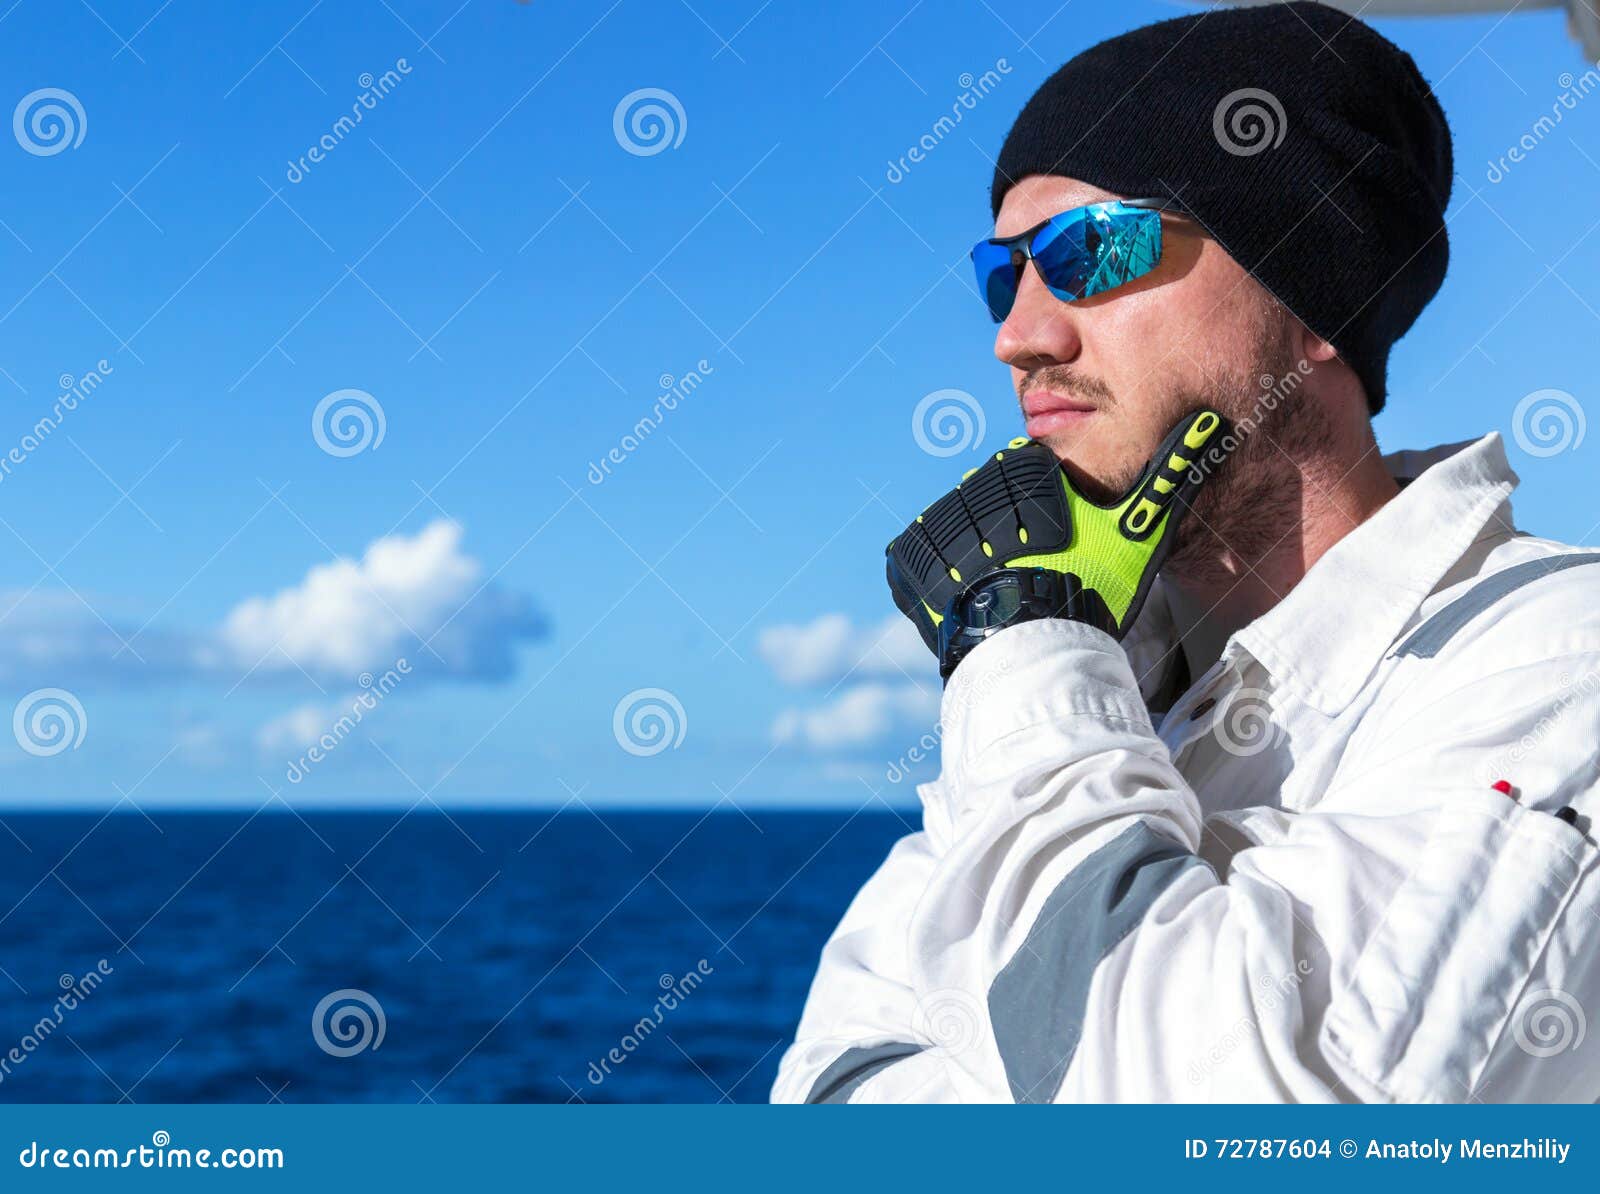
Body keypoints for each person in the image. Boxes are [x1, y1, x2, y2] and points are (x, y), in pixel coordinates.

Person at [772, 0, 1600, 1103]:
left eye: (1091, 251)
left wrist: (1020, 645)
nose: (1018, 336)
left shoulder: (1559, 662)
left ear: (1314, 297)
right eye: (1003, 273)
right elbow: (833, 1089)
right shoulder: (1084, 688)